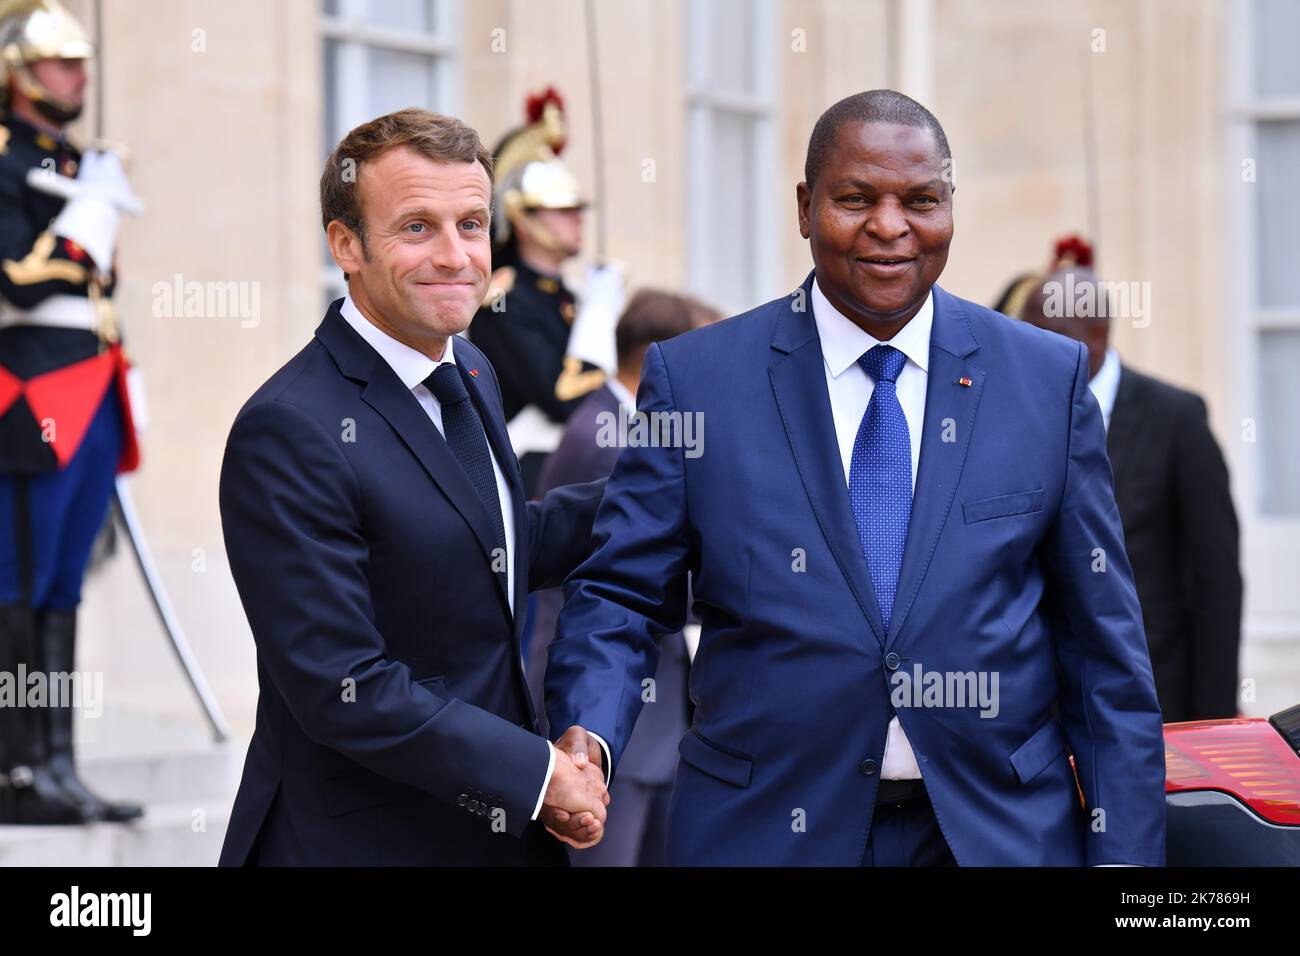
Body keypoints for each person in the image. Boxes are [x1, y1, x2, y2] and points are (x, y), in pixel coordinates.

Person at [545, 90, 1166, 866]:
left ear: (950, 207)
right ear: (805, 208)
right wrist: (589, 733)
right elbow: (622, 591)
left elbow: (1104, 652)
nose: (890, 226)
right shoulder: (697, 380)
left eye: (921, 200)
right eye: (856, 198)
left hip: (994, 835)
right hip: (765, 831)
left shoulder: (1046, 380)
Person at [217, 108, 609, 866]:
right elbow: (343, 686)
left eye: (472, 225)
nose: (456, 256)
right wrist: (537, 775)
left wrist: (665, 492)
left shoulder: (470, 369)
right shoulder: (288, 428)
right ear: (346, 245)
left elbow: (487, 544)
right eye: (418, 228)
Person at [0, 0, 142, 825]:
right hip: (27, 392)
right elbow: (15, 279)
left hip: (89, 385)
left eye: (82, 61)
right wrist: (83, 225)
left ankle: (58, 764)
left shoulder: (77, 162)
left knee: (61, 587)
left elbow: (101, 288)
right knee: (17, 583)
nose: (78, 75)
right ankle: (15, 773)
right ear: (18, 72)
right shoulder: (7, 158)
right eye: (61, 61)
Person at [530, 289, 718, 866]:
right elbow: (642, 565)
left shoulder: (619, 423)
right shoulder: (609, 436)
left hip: (645, 710)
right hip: (608, 709)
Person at [1019, 244, 1242, 723]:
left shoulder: (1177, 419)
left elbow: (1216, 581)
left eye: (1050, 337)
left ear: (1097, 334)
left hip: (1155, 700)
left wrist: (1213, 721)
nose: (1034, 353)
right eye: (1027, 337)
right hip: (1042, 712)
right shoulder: (1015, 417)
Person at [468, 88, 622, 497]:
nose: (578, 220)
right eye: (563, 210)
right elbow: (565, 399)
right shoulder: (502, 301)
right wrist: (600, 315)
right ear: (522, 217)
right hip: (531, 474)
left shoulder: (572, 295)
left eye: (577, 209)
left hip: (586, 462)